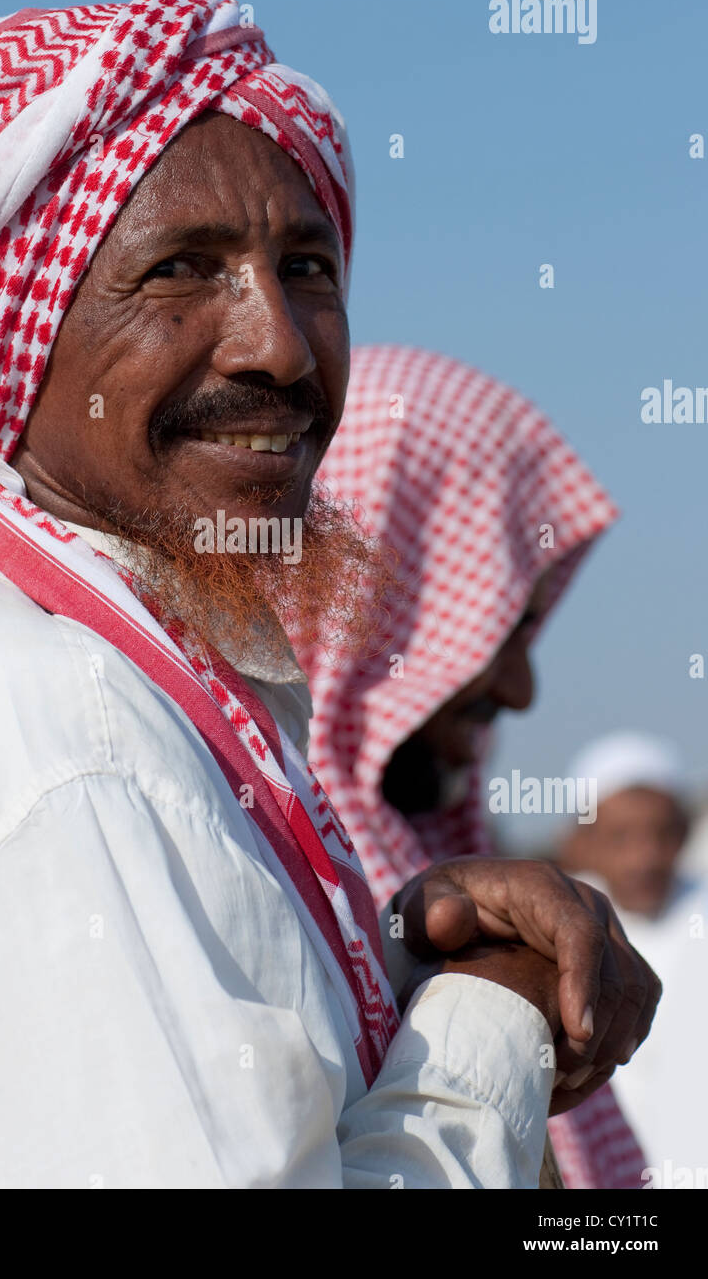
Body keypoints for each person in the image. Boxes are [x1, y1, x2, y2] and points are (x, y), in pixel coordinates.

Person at [0, 0, 656, 1189]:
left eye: (305, 266)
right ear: (9, 340)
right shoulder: (52, 740)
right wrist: (488, 1012)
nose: (281, 348)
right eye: (177, 271)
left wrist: (397, 952)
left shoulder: (139, 701)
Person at [295, 342, 649, 1188]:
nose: (521, 691)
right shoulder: (247, 885)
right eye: (503, 627)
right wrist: (499, 994)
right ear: (388, 613)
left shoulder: (419, 892)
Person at [560, 732, 708, 1183]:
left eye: (661, 834)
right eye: (620, 837)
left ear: (683, 833)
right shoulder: (562, 926)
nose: (645, 858)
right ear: (582, 842)